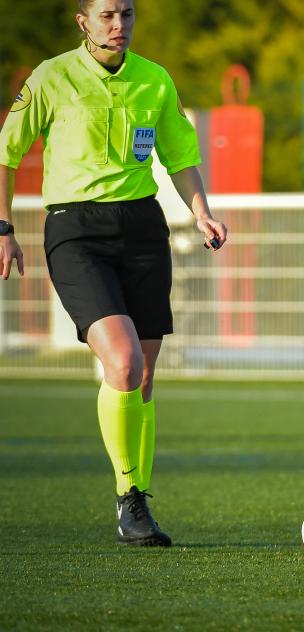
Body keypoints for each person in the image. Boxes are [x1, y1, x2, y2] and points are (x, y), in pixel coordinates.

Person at [0, 0, 228, 547]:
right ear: (82, 20)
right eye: (105, 15)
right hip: (75, 231)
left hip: (143, 228)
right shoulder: (50, 77)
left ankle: (139, 503)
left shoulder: (155, 80)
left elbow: (179, 157)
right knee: (122, 363)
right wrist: (3, 229)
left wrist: (202, 212)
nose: (118, 25)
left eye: (126, 14)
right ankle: (127, 498)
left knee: (144, 376)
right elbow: (6, 153)